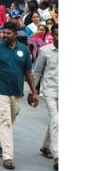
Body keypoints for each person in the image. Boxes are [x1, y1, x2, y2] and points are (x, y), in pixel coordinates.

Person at [0, 22, 39, 170]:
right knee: (5, 120)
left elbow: (28, 72)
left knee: (11, 117)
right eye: (3, 33)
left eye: (8, 33)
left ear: (15, 35)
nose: (4, 35)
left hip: (17, 91)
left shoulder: (24, 50)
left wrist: (34, 92)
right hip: (1, 90)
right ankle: (8, 157)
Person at [33, 25, 59, 170]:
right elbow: (36, 71)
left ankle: (45, 146)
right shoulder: (45, 51)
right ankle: (57, 156)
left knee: (56, 121)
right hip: (50, 91)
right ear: (52, 35)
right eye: (56, 34)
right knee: (56, 120)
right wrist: (33, 92)